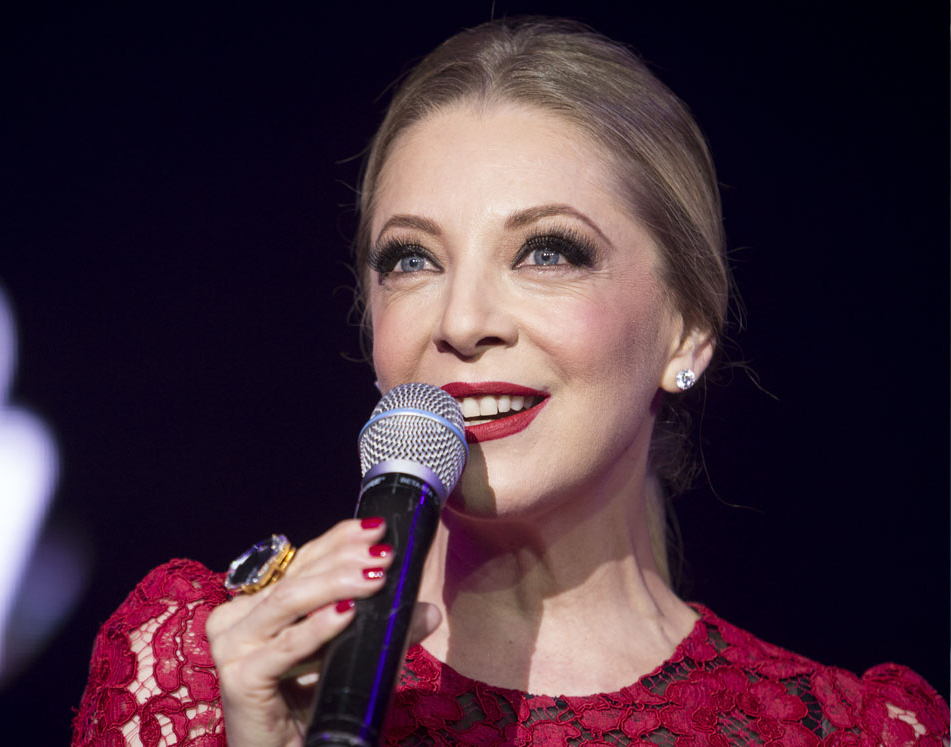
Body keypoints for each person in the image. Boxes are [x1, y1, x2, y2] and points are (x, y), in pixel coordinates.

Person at [71, 18, 949, 746]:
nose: (461, 321)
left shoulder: (858, 732)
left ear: (687, 327)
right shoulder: (199, 677)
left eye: (547, 252)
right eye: (412, 259)